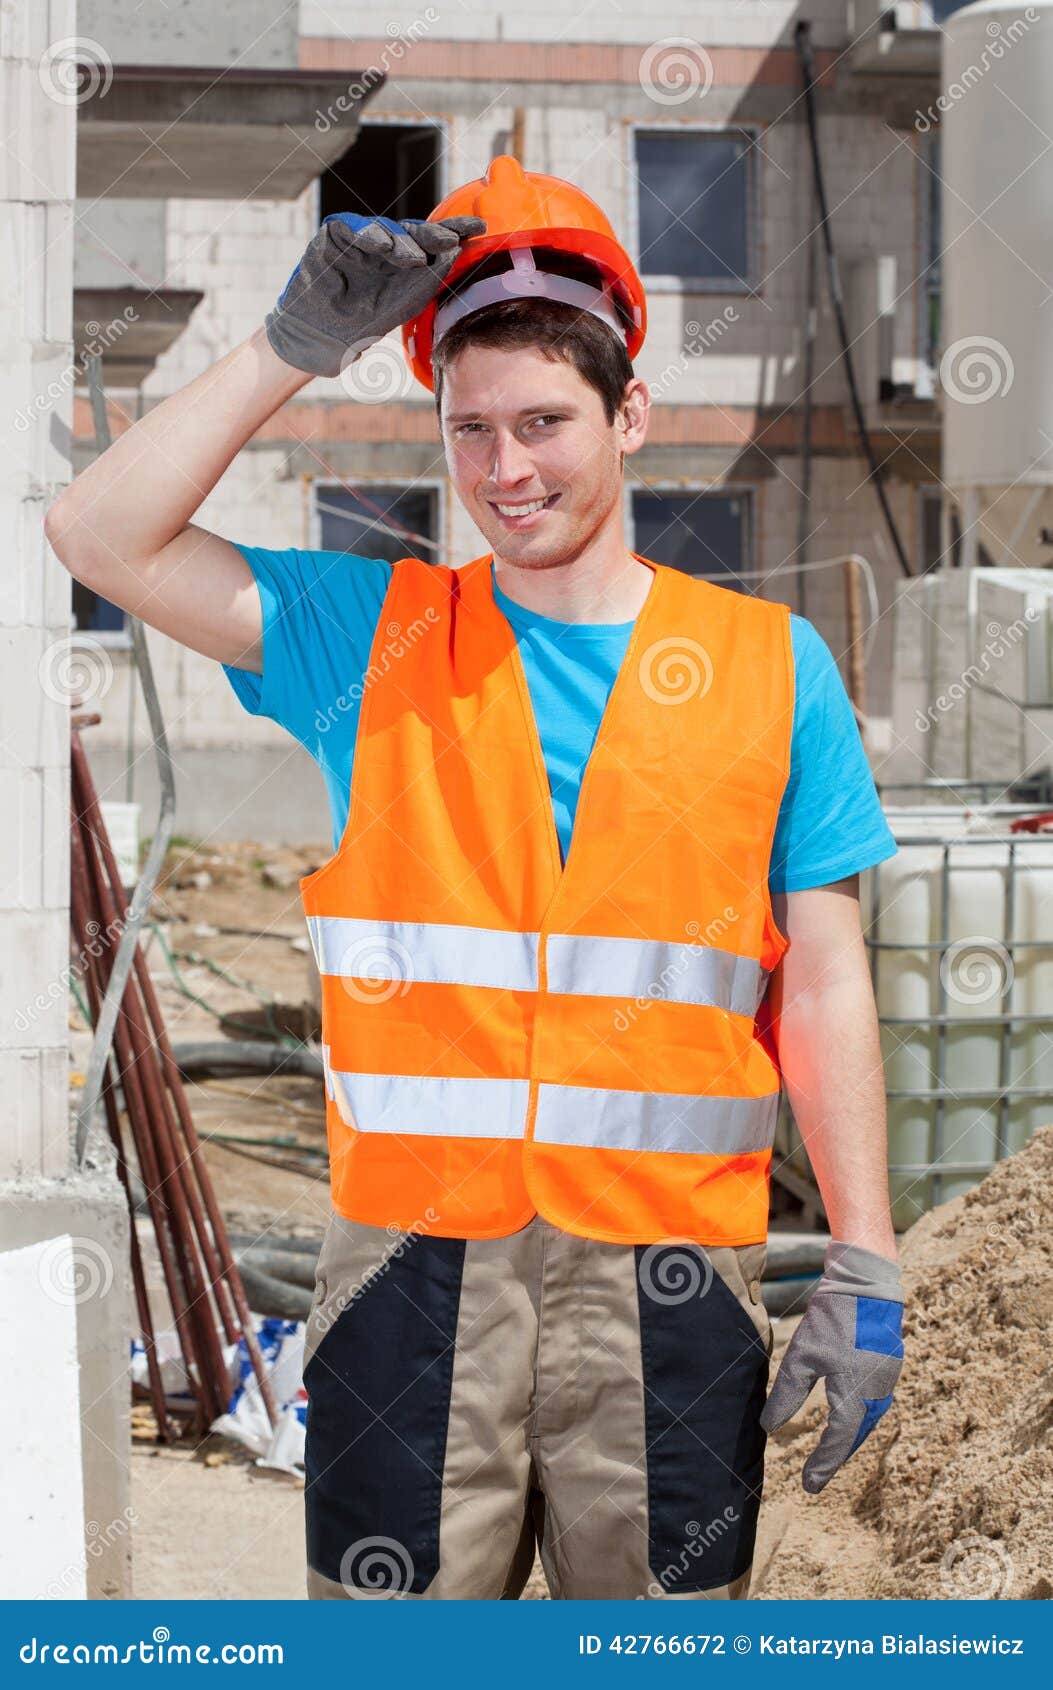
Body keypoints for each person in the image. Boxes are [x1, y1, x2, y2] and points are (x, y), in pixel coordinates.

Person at [46, 157, 905, 1602]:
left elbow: (821, 975)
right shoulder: (363, 636)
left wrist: (867, 1253)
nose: (506, 469)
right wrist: (288, 351)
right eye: (471, 431)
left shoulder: (771, 669)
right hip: (408, 1277)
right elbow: (96, 535)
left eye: (545, 422)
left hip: (670, 1278)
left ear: (629, 413)